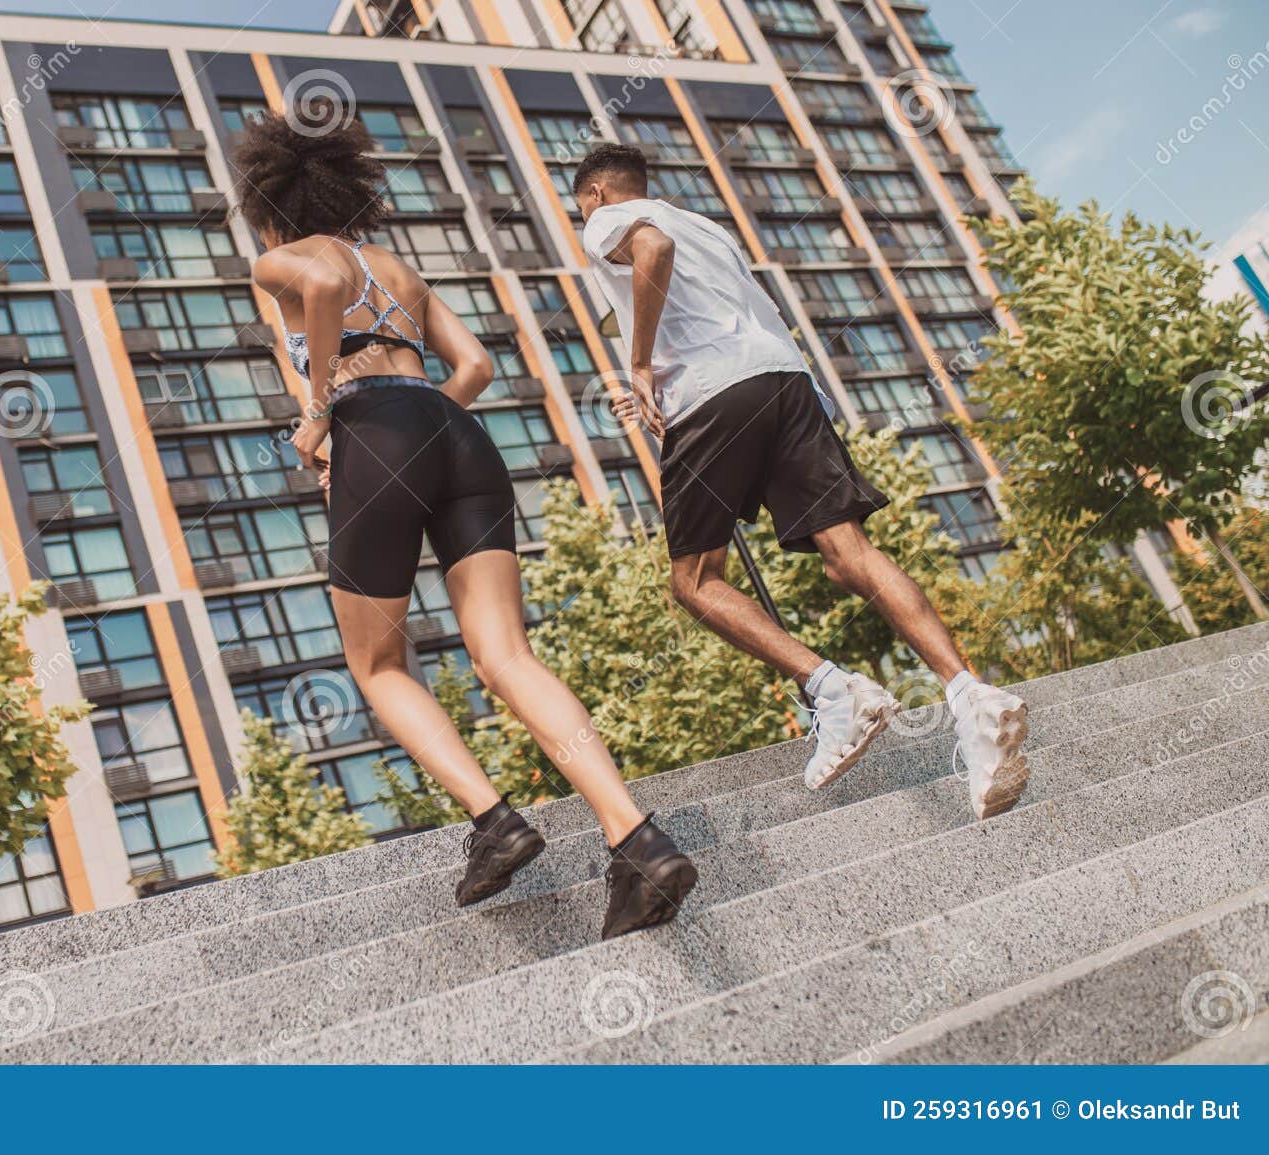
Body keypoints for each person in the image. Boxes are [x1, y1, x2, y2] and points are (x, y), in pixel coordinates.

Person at [232, 114, 698, 938]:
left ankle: (495, 821)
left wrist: (321, 414)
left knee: (377, 665)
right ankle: (636, 838)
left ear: (269, 206)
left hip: (376, 436)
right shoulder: (402, 270)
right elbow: (476, 364)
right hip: (458, 438)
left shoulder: (283, 259)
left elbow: (329, 290)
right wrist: (413, 427)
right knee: (507, 654)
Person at [572, 142, 1028, 820]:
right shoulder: (709, 228)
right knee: (850, 557)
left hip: (713, 394)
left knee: (694, 581)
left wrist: (640, 367)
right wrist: (656, 383)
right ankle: (969, 693)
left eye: (583, 208)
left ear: (601, 195)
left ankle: (832, 687)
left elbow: (653, 254)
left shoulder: (611, 219)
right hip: (784, 383)